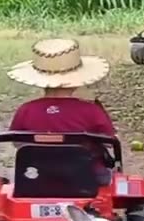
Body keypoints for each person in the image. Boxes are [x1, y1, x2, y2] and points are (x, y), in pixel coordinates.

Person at [7, 38, 117, 184]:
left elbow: (17, 142)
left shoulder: (26, 110)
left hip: (37, 176)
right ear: (76, 81)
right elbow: (110, 142)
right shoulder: (91, 110)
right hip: (86, 176)